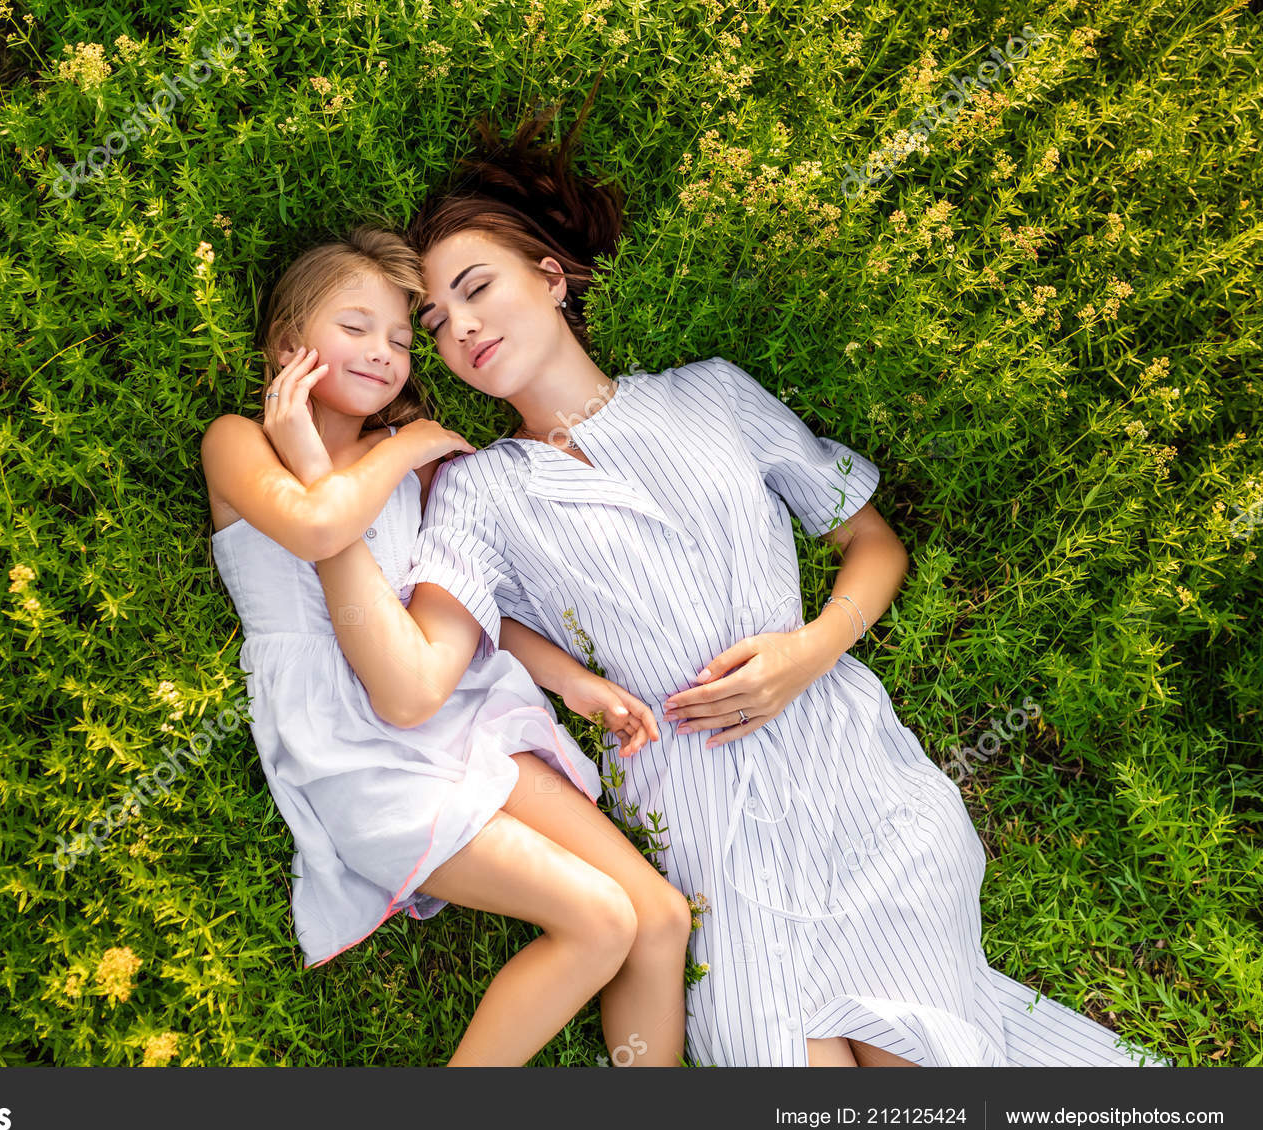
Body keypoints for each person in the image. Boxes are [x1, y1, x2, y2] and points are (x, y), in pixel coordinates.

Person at [306, 106, 1165, 1068]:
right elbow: (424, 674)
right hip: (702, 824)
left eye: (475, 290)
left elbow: (871, 541)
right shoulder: (476, 489)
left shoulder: (712, 392)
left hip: (856, 781)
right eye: (434, 322)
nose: (458, 328)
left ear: (551, 278)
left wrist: (809, 650)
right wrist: (328, 514)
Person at [202, 226, 692, 1067]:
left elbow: (466, 605)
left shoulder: (407, 469)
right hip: (358, 752)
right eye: (354, 328)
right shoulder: (239, 443)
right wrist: (416, 440)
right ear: (288, 346)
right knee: (599, 917)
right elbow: (321, 524)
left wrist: (571, 680)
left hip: (468, 710)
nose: (384, 353)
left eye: (400, 338)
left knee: (658, 915)